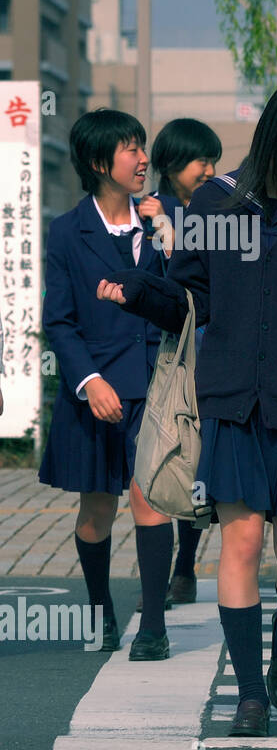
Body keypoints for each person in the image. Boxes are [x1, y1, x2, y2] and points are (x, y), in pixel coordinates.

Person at [98, 76, 277, 737]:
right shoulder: (220, 206)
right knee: (243, 542)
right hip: (232, 406)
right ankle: (250, 695)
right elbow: (185, 301)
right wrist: (137, 292)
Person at [40, 108, 174, 659]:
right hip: (95, 392)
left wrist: (170, 238)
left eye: (142, 146)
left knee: (152, 501)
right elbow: (60, 320)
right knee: (96, 512)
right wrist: (89, 381)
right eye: (129, 148)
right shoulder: (68, 232)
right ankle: (99, 608)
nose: (143, 158)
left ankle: (154, 626)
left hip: (153, 386)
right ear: (99, 162)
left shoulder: (161, 221)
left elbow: (185, 298)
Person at [144, 117, 223, 608]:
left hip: (209, 351)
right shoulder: (155, 211)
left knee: (193, 457)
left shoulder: (217, 211)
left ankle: (185, 562)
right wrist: (163, 225)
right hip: (169, 354)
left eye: (213, 159)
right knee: (168, 457)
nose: (210, 168)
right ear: (172, 165)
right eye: (201, 160)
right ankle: (170, 571)